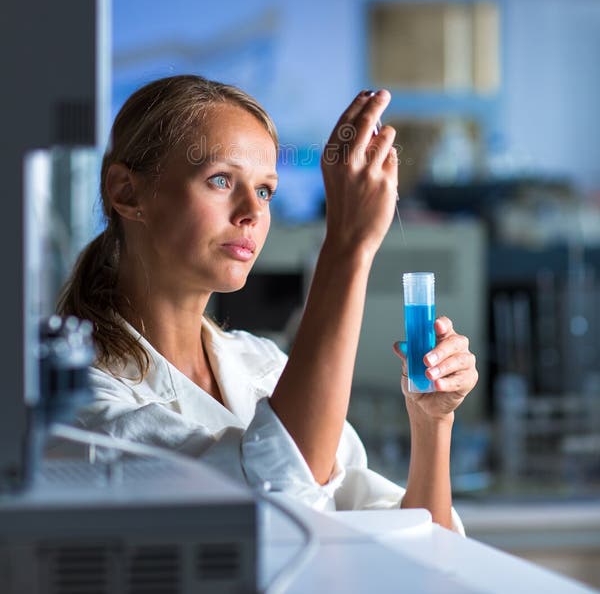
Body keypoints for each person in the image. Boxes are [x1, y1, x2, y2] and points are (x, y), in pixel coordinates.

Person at [57, 75, 478, 532]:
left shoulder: (264, 366)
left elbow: (419, 542)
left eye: (264, 191)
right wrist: (346, 245)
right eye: (220, 180)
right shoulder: (78, 405)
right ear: (126, 192)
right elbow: (279, 499)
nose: (252, 213)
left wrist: (431, 421)